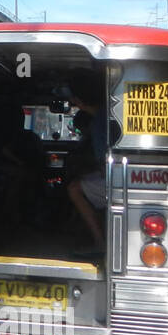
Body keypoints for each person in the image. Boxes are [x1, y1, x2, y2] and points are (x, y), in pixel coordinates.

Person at [65, 71, 108, 255]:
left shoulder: (99, 123)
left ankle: (100, 242)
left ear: (79, 101)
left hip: (112, 178)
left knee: (74, 188)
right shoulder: (108, 114)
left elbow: (101, 162)